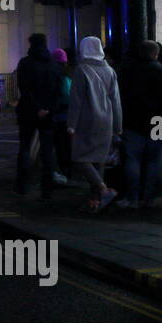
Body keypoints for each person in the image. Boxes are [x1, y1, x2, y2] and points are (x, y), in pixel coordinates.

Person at [117, 40, 162, 211]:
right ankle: (149, 198)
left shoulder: (127, 71)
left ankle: (133, 198)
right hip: (157, 121)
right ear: (156, 53)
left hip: (132, 120)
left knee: (132, 159)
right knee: (154, 159)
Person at [66, 35, 123, 213]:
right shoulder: (110, 70)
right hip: (107, 120)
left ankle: (102, 190)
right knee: (98, 159)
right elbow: (116, 101)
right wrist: (118, 126)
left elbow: (76, 100)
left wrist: (71, 124)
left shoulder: (81, 70)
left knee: (80, 158)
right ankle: (96, 201)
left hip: (86, 120)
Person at [13, 33, 61, 201]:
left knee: (25, 148)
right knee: (48, 152)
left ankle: (22, 186)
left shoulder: (25, 63)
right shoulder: (54, 65)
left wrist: (36, 108)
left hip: (28, 112)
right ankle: (47, 189)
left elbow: (24, 90)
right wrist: (48, 109)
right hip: (48, 113)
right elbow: (58, 91)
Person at [50, 47, 72, 181]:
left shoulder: (57, 79)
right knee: (67, 147)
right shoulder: (69, 78)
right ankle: (67, 171)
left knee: (60, 147)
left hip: (59, 117)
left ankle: (62, 173)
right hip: (70, 117)